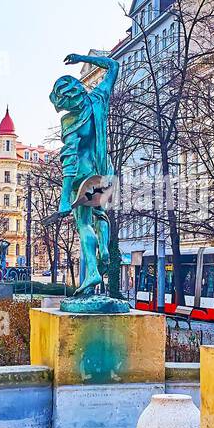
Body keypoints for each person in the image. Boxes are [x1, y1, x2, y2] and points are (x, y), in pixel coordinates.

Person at [50, 53, 119, 297]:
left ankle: (92, 272)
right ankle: (104, 247)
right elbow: (113, 65)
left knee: (83, 223)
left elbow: (69, 160)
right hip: (105, 173)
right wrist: (81, 57)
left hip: (82, 176)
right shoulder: (99, 99)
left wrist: (64, 199)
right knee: (99, 212)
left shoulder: (70, 120)